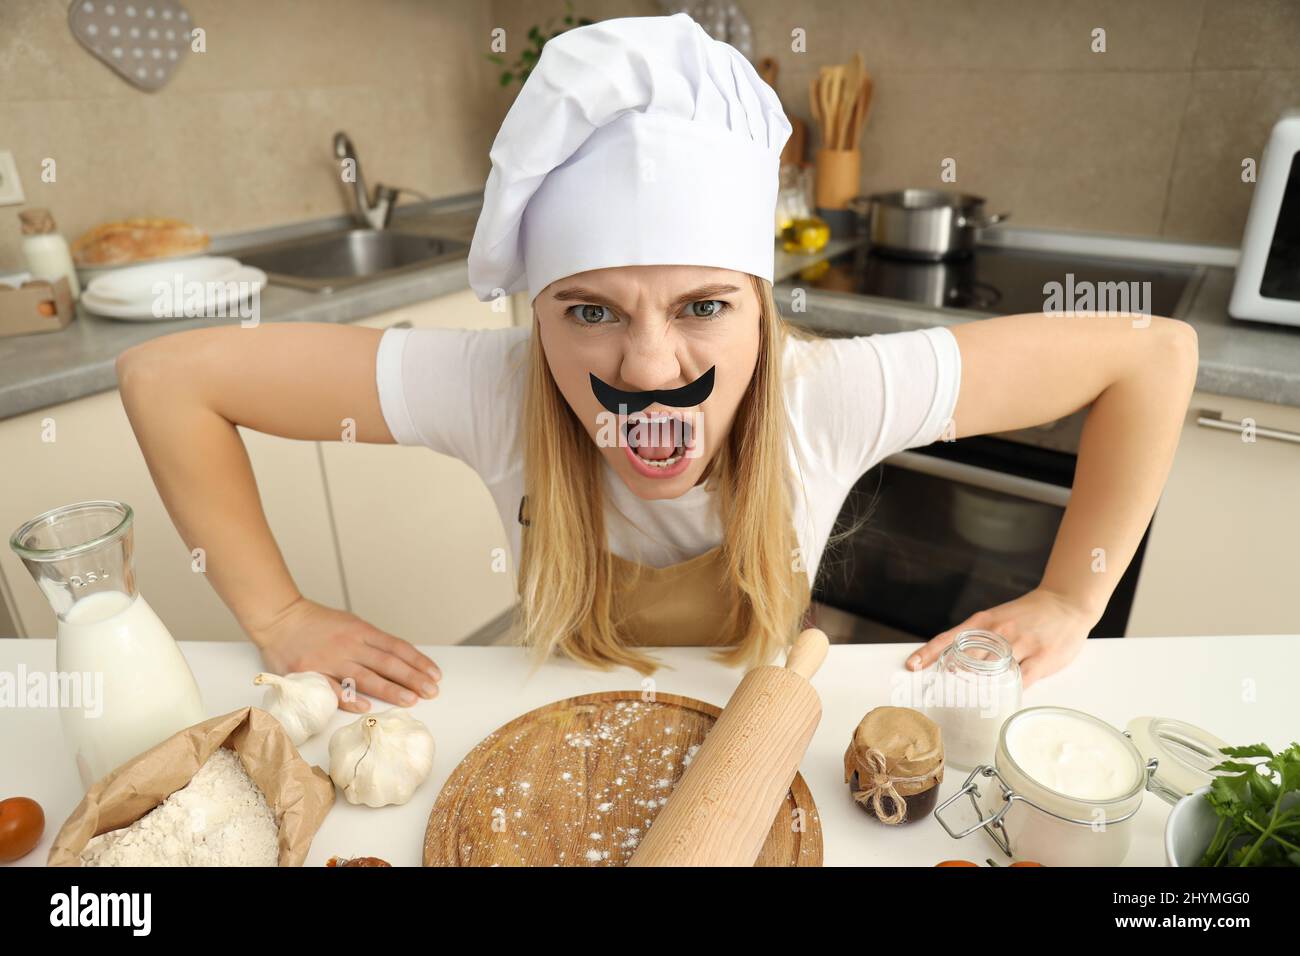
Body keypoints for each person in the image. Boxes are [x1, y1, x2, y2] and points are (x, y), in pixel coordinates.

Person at [116, 13, 1197, 712]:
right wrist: (282, 617)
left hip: (761, 725)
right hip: (563, 723)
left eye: (703, 306)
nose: (646, 363)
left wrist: (1069, 595)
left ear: (762, 312)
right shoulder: (498, 389)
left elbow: (1153, 358)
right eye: (588, 308)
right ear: (534, 317)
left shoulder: (829, 391)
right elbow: (168, 380)